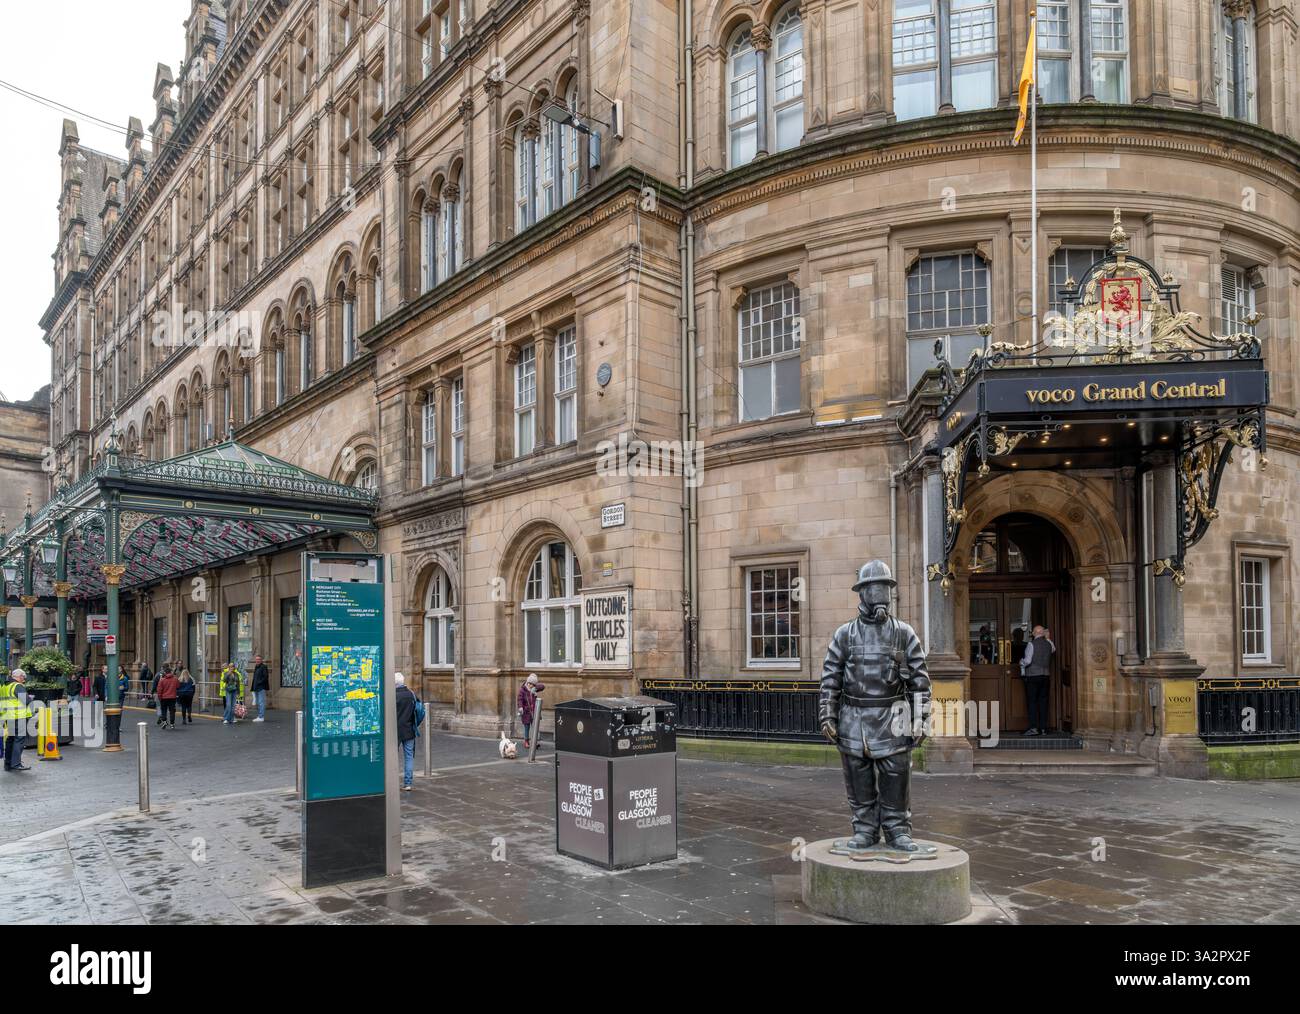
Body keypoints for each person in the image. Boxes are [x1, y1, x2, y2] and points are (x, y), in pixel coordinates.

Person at [820, 561, 932, 854]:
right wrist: (827, 715)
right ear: (862, 593)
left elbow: (920, 682)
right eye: (873, 588)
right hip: (853, 718)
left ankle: (897, 830)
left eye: (884, 588)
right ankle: (865, 829)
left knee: (896, 777)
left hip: (893, 717)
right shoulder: (844, 634)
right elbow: (830, 678)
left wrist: (921, 719)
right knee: (859, 779)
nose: (879, 594)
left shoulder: (904, 633)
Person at [1019, 624, 1056, 737]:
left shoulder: (1031, 644)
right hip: (1045, 676)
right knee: (1043, 702)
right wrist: (1048, 637)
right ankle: (1043, 728)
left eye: (1033, 632)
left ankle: (1034, 728)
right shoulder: (1049, 644)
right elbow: (1053, 650)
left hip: (1033, 676)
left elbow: (1028, 660)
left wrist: (1021, 662)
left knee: (1032, 702)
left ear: (1034, 633)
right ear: (1043, 633)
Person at [394, 673, 424, 792]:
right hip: (409, 729)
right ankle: (408, 783)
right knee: (409, 756)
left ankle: (392, 781)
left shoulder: (392, 695)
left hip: (394, 730)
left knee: (392, 756)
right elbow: (420, 710)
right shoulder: (411, 694)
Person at [1, 669, 33, 772]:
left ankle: (8, 764)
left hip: (8, 717)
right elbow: (26, 700)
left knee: (10, 740)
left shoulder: (6, 686)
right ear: (19, 677)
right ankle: (16, 764)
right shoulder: (17, 686)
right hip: (18, 717)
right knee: (19, 740)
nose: (23, 680)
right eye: (23, 677)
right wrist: (30, 698)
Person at [517, 673, 545, 750]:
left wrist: (535, 688)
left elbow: (543, 686)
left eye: (532, 684)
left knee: (535, 728)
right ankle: (526, 741)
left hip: (534, 712)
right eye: (529, 683)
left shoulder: (534, 689)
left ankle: (534, 742)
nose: (530, 685)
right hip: (526, 713)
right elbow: (519, 699)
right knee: (527, 727)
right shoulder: (522, 690)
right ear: (527, 682)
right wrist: (520, 707)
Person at [249, 655, 270, 722]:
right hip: (256, 688)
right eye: (256, 659)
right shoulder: (256, 667)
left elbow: (265, 677)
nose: (257, 660)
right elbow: (254, 678)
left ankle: (261, 717)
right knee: (258, 702)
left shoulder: (264, 667)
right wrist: (253, 687)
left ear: (261, 660)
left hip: (261, 687)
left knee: (261, 702)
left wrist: (259, 683)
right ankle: (260, 716)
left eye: (259, 659)